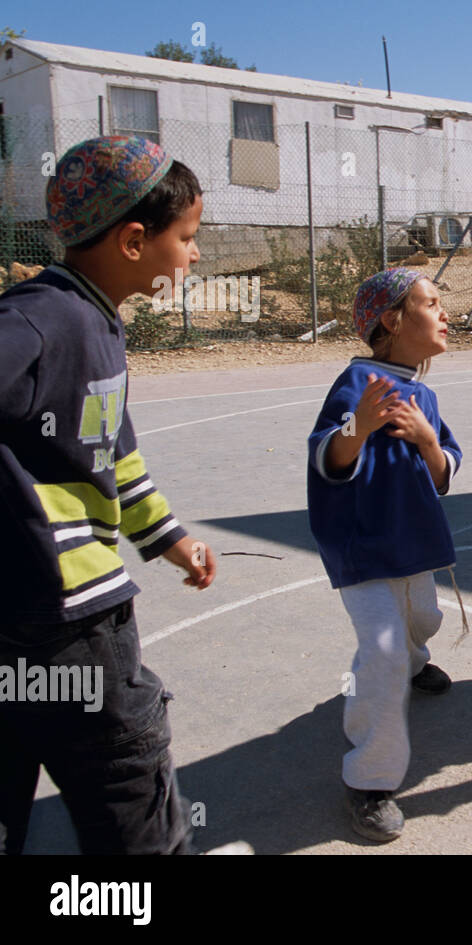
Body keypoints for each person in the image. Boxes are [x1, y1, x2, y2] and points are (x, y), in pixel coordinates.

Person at [0, 136, 216, 854]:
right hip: (69, 626)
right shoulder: (44, 318)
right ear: (133, 240)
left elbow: (114, 455)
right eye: (185, 239)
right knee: (131, 798)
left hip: (47, 619)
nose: (192, 257)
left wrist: (169, 538)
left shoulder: (95, 323)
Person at [307, 267, 468, 842]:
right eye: (431, 302)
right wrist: (359, 427)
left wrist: (428, 438)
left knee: (420, 620)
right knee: (381, 649)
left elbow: (445, 467)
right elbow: (328, 454)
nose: (444, 312)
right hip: (363, 549)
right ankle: (370, 781)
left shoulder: (423, 393)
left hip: (413, 544)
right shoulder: (358, 383)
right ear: (392, 320)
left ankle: (416, 660)